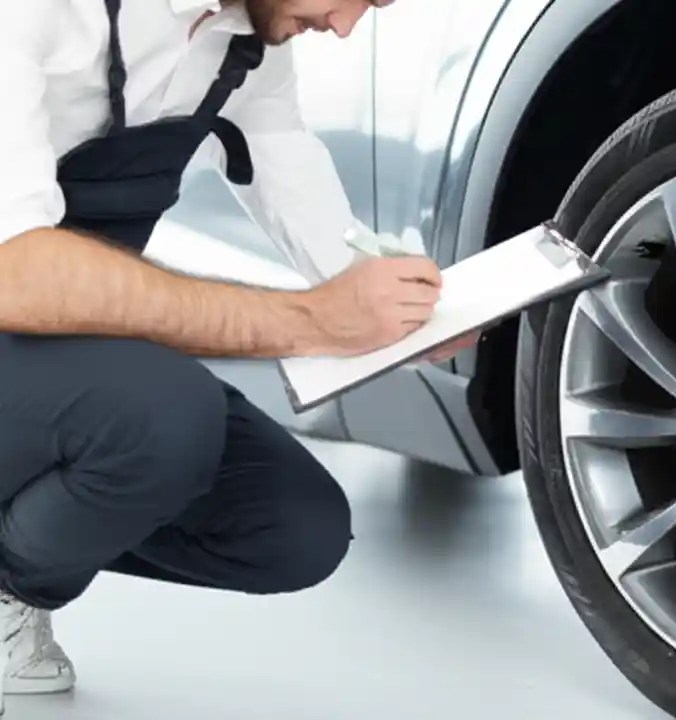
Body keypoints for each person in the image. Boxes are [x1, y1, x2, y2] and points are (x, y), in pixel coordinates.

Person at [0, 0, 476, 707]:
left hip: (56, 354)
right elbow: (18, 275)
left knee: (293, 527)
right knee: (163, 420)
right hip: (17, 296)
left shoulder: (248, 44)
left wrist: (397, 312)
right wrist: (313, 323)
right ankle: (15, 584)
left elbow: (284, 157)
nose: (346, 27)